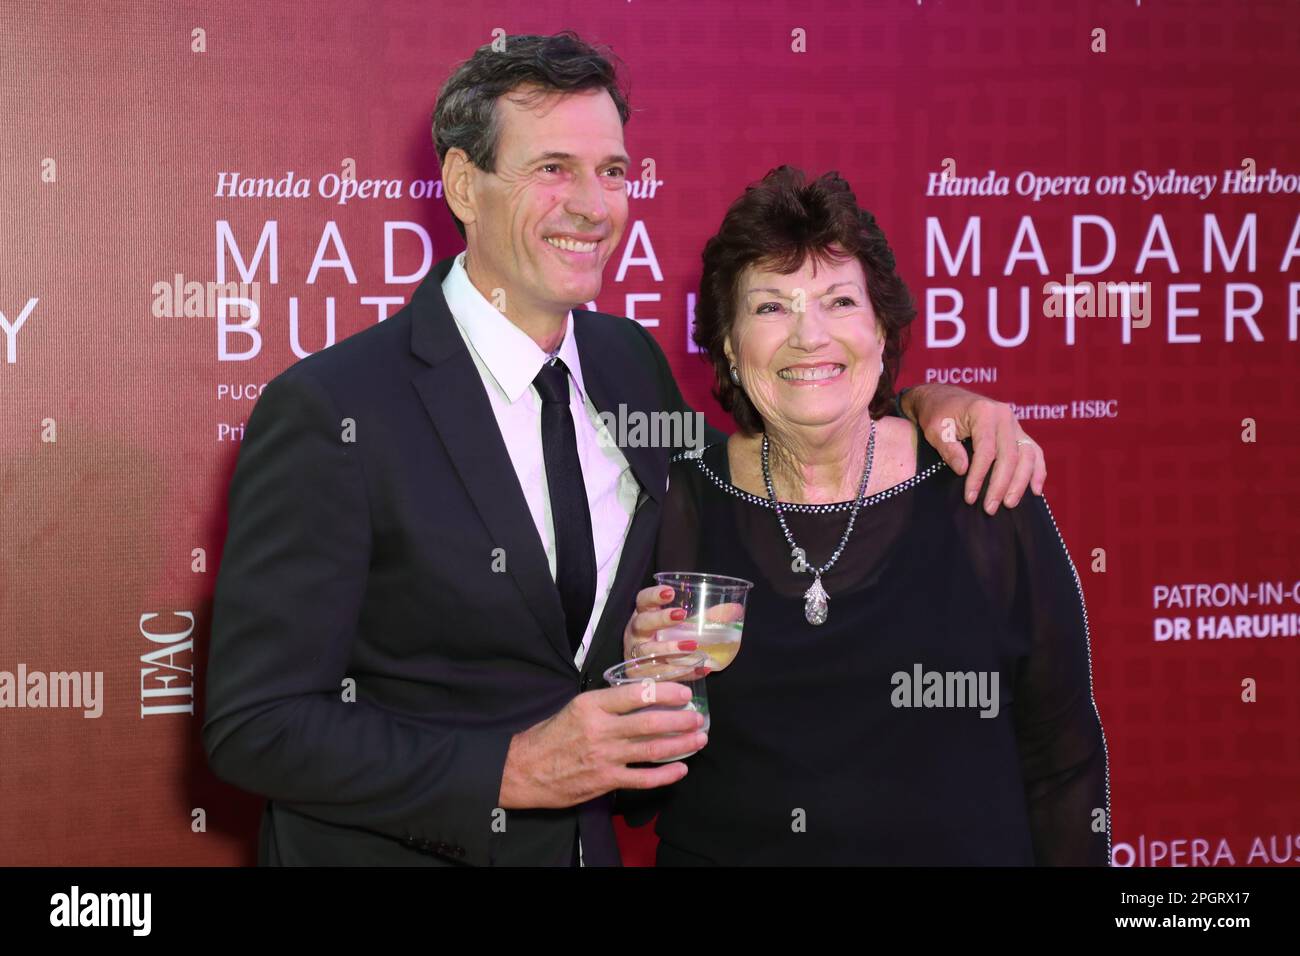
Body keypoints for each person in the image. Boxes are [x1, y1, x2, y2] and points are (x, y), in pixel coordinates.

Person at [202, 32, 1046, 867]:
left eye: (611, 171)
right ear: (464, 183)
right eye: (551, 169)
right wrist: (507, 772)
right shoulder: (332, 410)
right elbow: (255, 725)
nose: (592, 205)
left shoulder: (626, 364)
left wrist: (931, 405)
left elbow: (780, 449)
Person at [623, 166, 1109, 865]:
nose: (808, 336)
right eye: (769, 308)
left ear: (882, 331)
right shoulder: (679, 504)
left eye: (838, 301)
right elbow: (639, 795)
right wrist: (648, 687)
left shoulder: (981, 490)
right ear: (728, 346)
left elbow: (1065, 763)